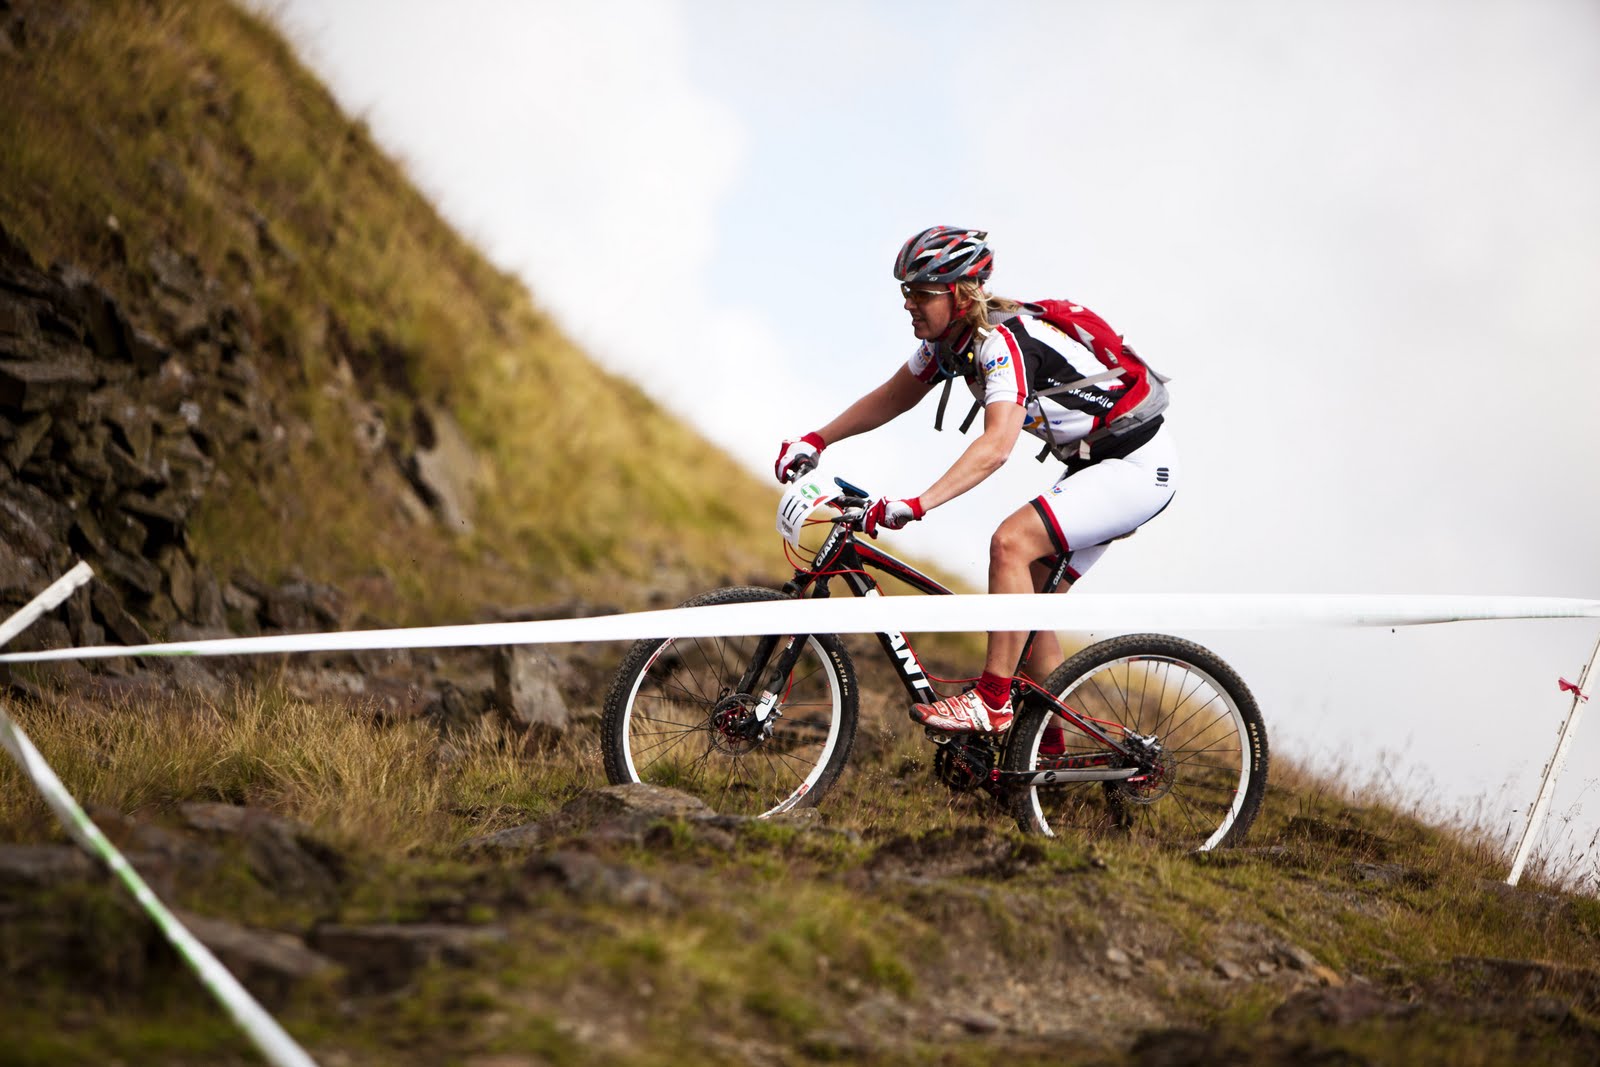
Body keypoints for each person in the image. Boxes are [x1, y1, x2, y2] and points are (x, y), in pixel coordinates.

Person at [774, 225, 1177, 734]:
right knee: (1025, 615)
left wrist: (917, 504)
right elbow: (893, 396)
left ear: (961, 295)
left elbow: (996, 446)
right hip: (1094, 465)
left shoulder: (998, 343)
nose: (908, 304)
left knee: (1009, 543)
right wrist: (818, 438)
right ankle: (1045, 747)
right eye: (905, 291)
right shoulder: (948, 341)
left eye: (921, 293)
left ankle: (991, 702)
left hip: (1135, 466)